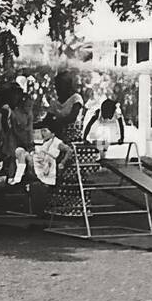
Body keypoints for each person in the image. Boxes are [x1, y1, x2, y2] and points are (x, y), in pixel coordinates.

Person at [44, 70, 89, 217]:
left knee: (71, 174)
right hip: (58, 140)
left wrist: (56, 123)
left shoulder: (76, 99)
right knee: (55, 172)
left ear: (68, 85)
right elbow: (47, 120)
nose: (58, 89)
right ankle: (57, 209)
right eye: (57, 85)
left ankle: (75, 209)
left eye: (61, 85)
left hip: (72, 141)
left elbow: (72, 117)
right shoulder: (55, 103)